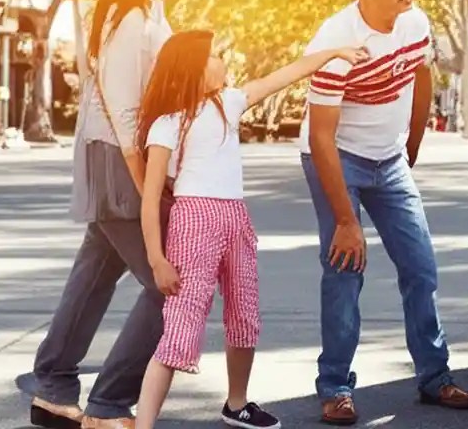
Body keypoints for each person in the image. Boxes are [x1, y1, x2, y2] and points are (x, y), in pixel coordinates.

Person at [130, 30, 369, 429]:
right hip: (194, 221)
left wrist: (335, 51)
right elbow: (150, 198)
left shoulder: (229, 102)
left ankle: (236, 404)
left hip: (235, 218)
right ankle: (144, 425)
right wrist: (157, 259)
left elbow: (288, 73)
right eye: (214, 56)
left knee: (244, 314)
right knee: (181, 326)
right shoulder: (167, 125)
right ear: (193, 68)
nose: (222, 61)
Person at [300, 0, 468, 426]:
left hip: (388, 159)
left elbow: (422, 77)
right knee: (344, 270)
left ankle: (434, 377)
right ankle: (335, 387)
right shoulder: (336, 41)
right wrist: (344, 219)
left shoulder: (416, 21)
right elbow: (320, 136)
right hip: (337, 159)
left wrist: (413, 143)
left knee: (420, 268)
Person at [29, 0, 178, 429]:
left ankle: (52, 385)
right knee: (170, 283)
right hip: (121, 156)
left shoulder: (141, 10)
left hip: (122, 154)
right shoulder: (128, 17)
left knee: (95, 272)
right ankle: (110, 402)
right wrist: (147, 188)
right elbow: (123, 109)